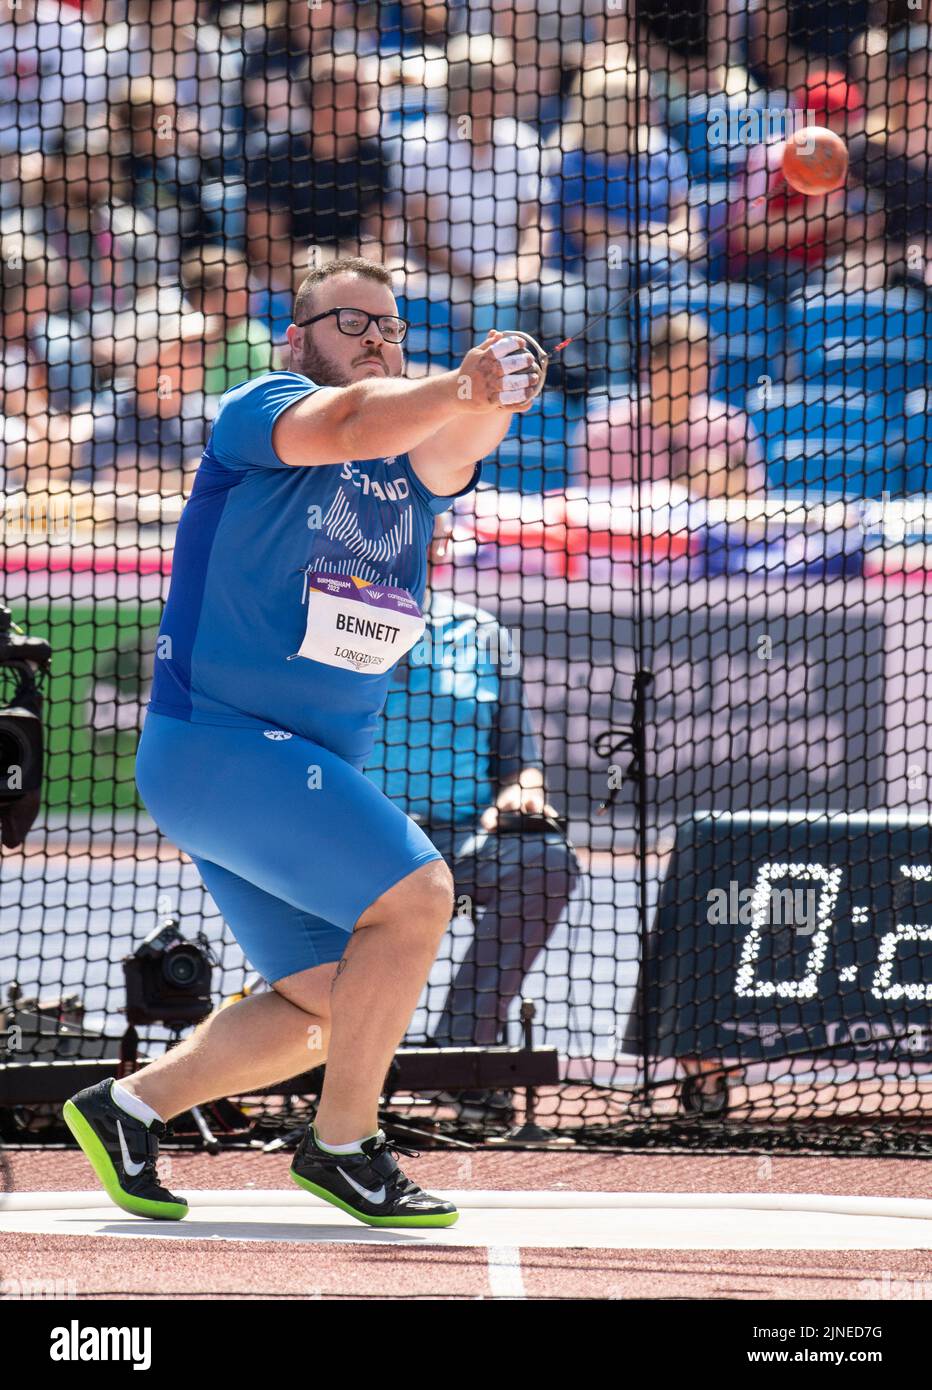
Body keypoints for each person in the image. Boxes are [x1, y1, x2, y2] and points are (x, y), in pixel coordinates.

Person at [62, 255, 545, 1229]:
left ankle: (127, 1108)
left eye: (390, 327)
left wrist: (500, 387)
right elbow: (356, 417)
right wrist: (457, 382)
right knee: (419, 897)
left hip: (295, 764)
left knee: (336, 1003)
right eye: (352, 322)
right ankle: (342, 1148)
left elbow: (455, 445)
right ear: (298, 335)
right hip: (225, 745)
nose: (375, 338)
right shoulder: (261, 407)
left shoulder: (412, 460)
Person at [366, 513, 580, 1123]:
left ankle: (463, 1053)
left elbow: (520, 762)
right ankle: (339, 1061)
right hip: (355, 839)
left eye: (429, 530)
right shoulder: (331, 621)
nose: (420, 541)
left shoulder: (483, 634)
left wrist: (522, 794)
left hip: (459, 842)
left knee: (546, 862)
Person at [571, 312, 767, 499]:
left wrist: (732, 485)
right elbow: (594, 518)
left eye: (702, 373)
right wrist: (683, 489)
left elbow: (757, 516)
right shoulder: (602, 433)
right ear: (650, 367)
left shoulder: (731, 427)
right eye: (685, 373)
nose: (694, 385)